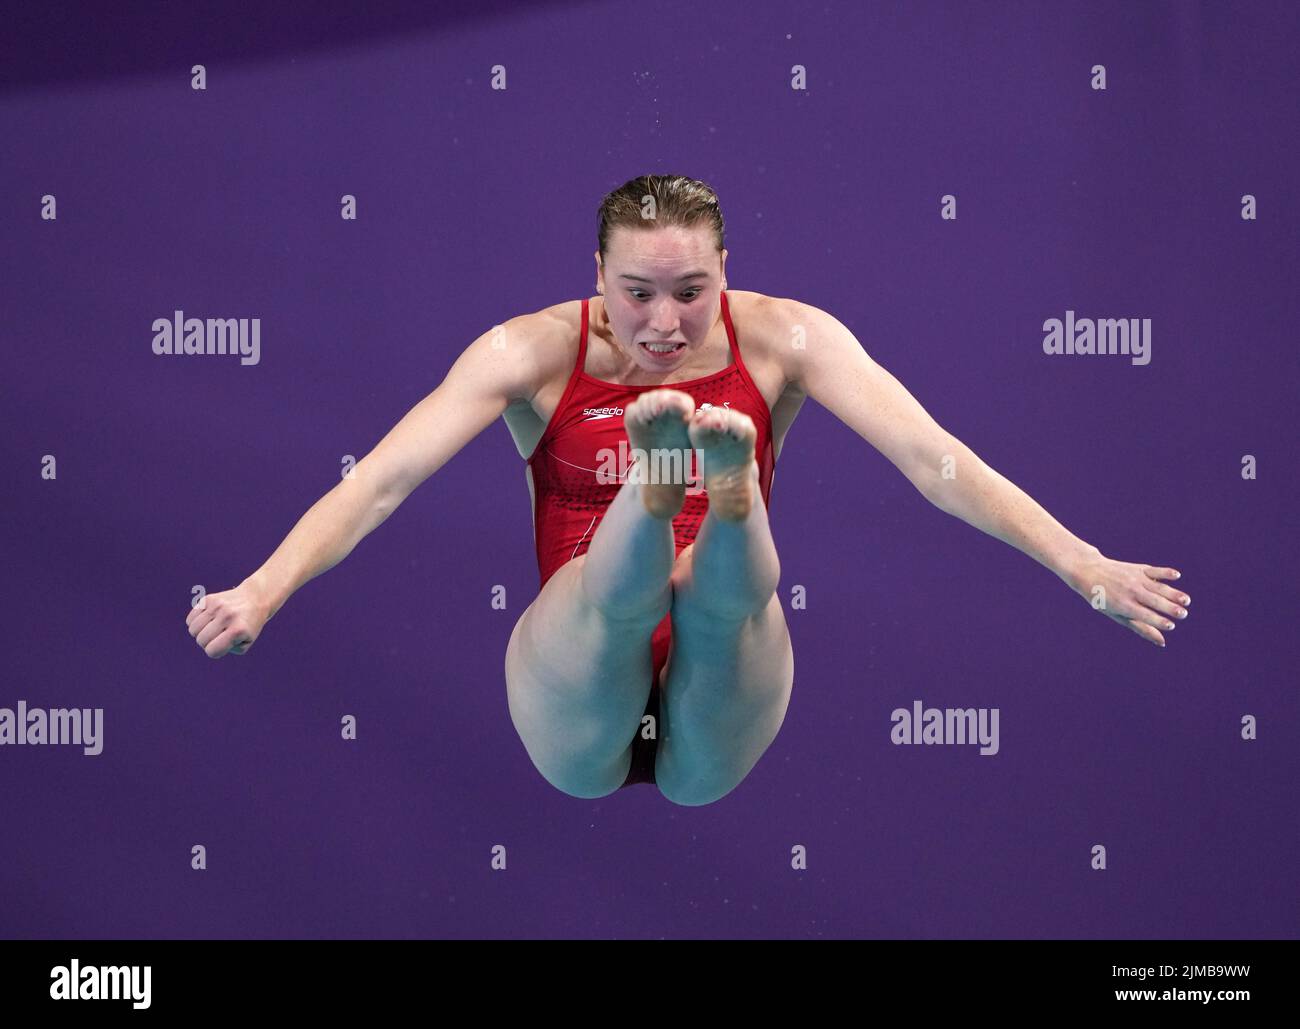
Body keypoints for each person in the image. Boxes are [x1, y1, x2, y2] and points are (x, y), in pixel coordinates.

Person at [185, 174, 1191, 806]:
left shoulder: (789, 337)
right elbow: (383, 481)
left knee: (728, 601)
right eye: (636, 295)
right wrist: (265, 589)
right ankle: (671, 486)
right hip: (576, 672)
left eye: (689, 293)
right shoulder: (526, 352)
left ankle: (720, 492)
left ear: (725, 272)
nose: (664, 324)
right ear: (595, 276)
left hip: (722, 656)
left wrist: (1081, 563)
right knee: (602, 599)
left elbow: (935, 462)